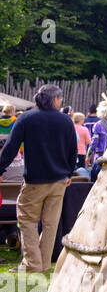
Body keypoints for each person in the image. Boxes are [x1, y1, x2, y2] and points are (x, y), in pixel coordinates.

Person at [0, 84, 77, 272]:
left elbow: (10, 148)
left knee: (27, 220)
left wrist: (0, 169)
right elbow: (72, 151)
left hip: (35, 181)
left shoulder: (26, 119)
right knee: (51, 224)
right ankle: (42, 263)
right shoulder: (66, 121)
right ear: (55, 99)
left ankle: (33, 264)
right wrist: (68, 173)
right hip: (59, 181)